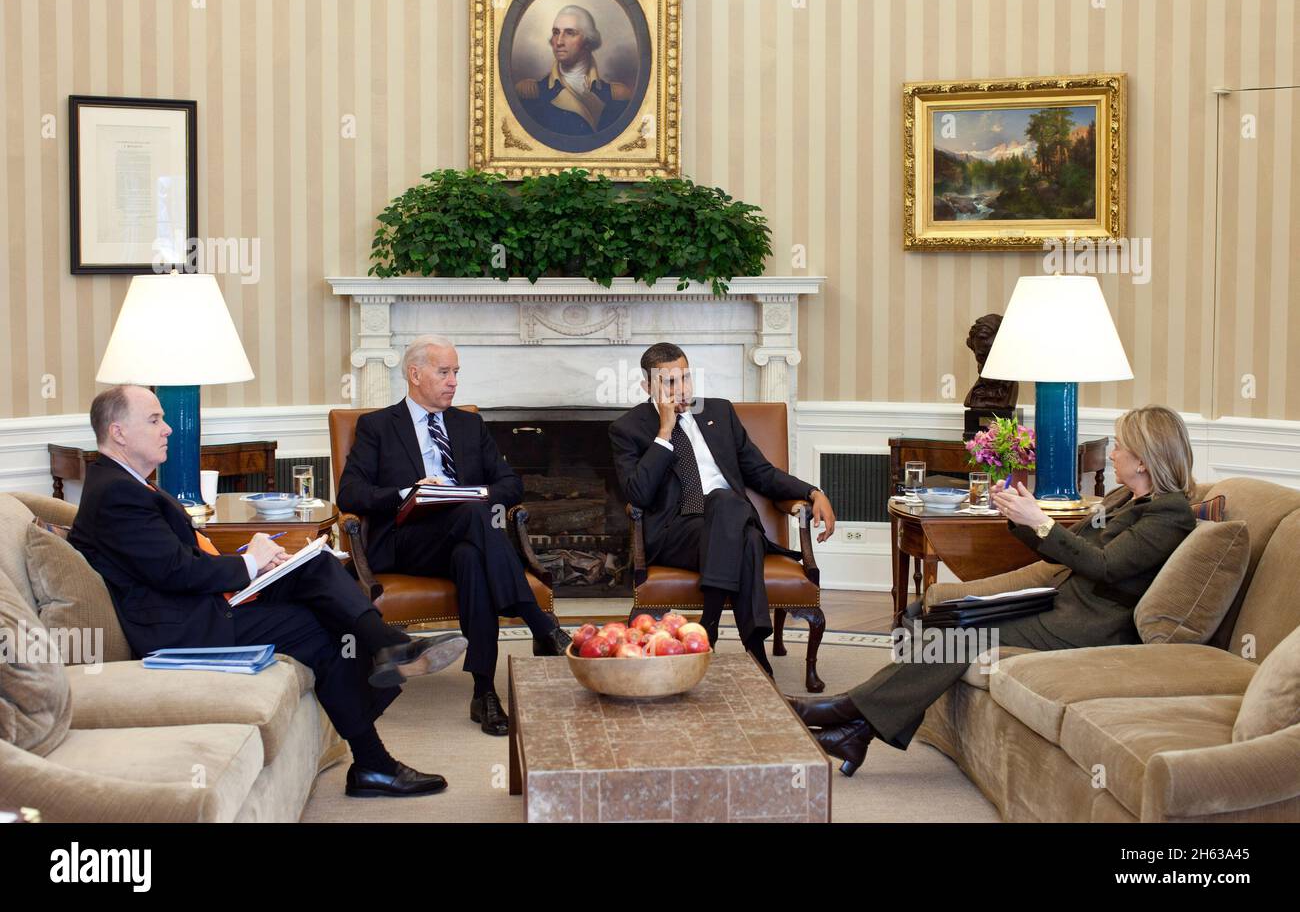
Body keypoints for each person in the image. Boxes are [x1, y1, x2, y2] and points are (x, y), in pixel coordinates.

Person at [69, 385, 464, 798]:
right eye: (154, 420)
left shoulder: (128, 484)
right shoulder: (116, 492)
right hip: (180, 629)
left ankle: (387, 649)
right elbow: (174, 571)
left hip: (194, 607)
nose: (168, 428)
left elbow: (174, 564)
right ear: (118, 432)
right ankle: (374, 756)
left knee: (314, 564)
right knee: (316, 626)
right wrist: (249, 563)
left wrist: (260, 563)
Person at [790, 404, 1198, 776]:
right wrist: (1021, 516)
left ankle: (848, 711)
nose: (1113, 454)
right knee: (945, 619)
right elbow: (1072, 549)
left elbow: (1105, 566)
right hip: (1065, 604)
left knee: (963, 636)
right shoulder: (1125, 497)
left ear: (1144, 460)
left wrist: (1041, 522)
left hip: (1092, 624)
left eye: (1121, 448)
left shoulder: (1169, 515)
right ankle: (856, 730)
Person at [337, 336, 571, 737]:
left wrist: (475, 494)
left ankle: (484, 692)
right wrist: (407, 493)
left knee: (470, 556)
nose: (453, 382)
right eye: (443, 372)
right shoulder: (377, 427)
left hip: (465, 537)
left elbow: (510, 484)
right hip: (406, 540)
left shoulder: (468, 424)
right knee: (474, 519)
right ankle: (539, 622)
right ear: (415, 374)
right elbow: (350, 493)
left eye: (456, 372)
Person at [608, 342, 837, 675]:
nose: (681, 389)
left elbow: (761, 472)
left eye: (685, 378)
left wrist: (813, 492)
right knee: (741, 529)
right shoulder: (628, 429)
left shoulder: (719, 412)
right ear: (648, 387)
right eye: (669, 383)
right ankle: (748, 647)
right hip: (676, 533)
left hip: (728, 521)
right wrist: (664, 431)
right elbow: (638, 495)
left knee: (729, 508)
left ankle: (712, 627)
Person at [514, 4, 631, 135]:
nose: (559, 42)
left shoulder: (617, 96)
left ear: (588, 40)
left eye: (570, 33)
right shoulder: (530, 94)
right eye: (556, 32)